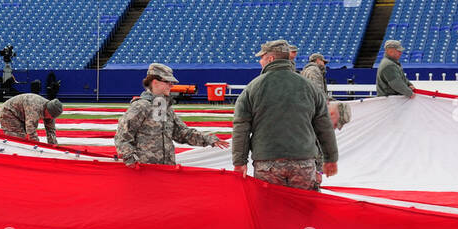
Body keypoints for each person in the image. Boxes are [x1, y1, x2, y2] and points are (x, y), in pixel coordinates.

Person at [232, 39, 338, 190]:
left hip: (267, 163)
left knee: (270, 209)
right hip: (303, 162)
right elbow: (323, 126)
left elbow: (241, 128)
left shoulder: (252, 88)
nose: (260, 61)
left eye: (262, 57)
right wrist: (330, 158)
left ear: (271, 59)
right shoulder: (309, 87)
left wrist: (239, 163)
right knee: (304, 208)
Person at [114, 63, 226, 166]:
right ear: (155, 82)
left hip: (166, 169)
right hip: (144, 171)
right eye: (168, 82)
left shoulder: (164, 107)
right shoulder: (141, 106)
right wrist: (131, 159)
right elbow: (122, 136)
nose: (171, 85)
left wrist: (208, 139)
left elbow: (182, 133)